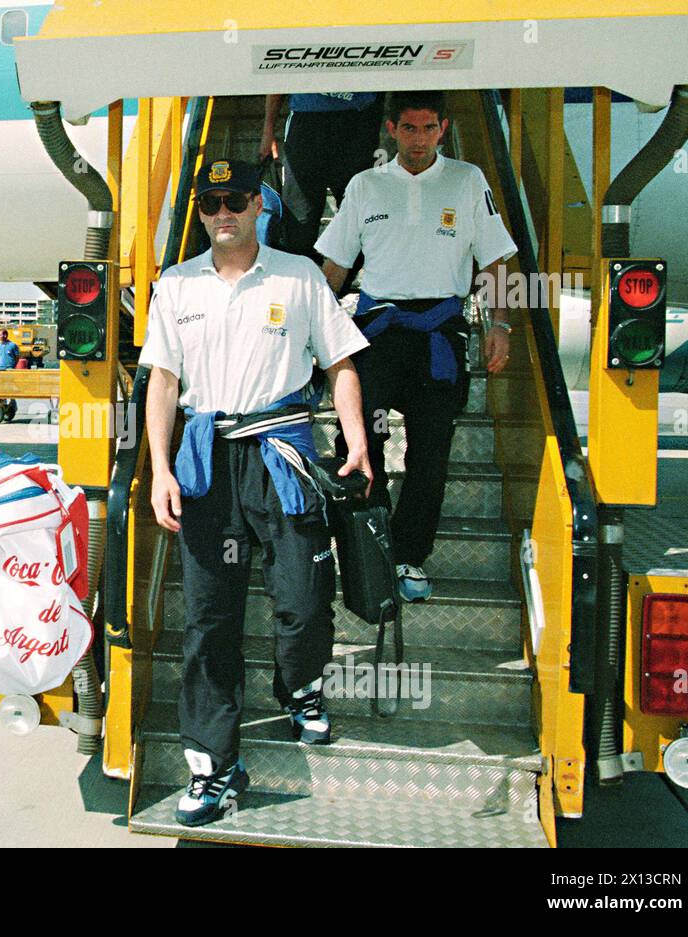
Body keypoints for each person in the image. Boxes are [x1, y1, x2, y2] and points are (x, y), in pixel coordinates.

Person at [140, 158, 373, 827]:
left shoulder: (298, 277)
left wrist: (355, 439)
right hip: (207, 461)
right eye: (210, 202)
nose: (222, 213)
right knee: (210, 619)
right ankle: (214, 766)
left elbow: (341, 364)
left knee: (302, 602)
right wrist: (159, 468)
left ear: (258, 205)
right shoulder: (176, 285)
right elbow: (161, 382)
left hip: (283, 454)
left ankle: (299, 686)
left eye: (234, 200)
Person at [315, 91, 517, 603]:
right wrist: (311, 332)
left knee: (431, 453)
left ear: (443, 128)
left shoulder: (467, 180)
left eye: (429, 128)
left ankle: (408, 555)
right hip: (379, 330)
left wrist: (501, 326)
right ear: (391, 129)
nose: (419, 139)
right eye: (409, 129)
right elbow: (335, 267)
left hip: (439, 333)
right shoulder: (365, 186)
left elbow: (495, 260)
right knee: (357, 445)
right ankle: (367, 545)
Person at [259, 92, 384, 267]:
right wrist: (268, 129)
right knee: (298, 227)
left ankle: (336, 288)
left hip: (358, 120)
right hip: (307, 120)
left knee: (362, 224)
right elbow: (274, 76)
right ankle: (305, 288)